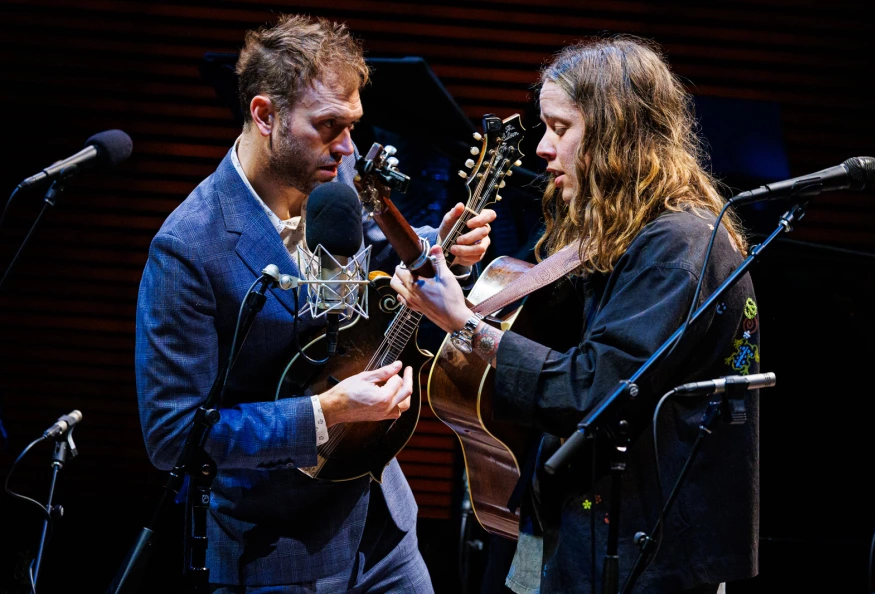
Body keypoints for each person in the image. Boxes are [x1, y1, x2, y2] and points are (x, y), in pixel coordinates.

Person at [134, 13, 496, 593]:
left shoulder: (336, 182)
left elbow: (370, 261)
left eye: (352, 125)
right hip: (278, 551)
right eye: (328, 126)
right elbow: (174, 435)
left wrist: (437, 245)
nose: (348, 147)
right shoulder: (189, 248)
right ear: (264, 116)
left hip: (384, 529)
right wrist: (325, 412)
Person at [392, 35, 759, 594]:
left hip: (642, 553)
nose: (542, 147)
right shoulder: (616, 231)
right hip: (579, 525)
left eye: (560, 128)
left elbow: (593, 392)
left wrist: (463, 323)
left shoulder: (678, 247)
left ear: (618, 136)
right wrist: (457, 278)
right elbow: (531, 327)